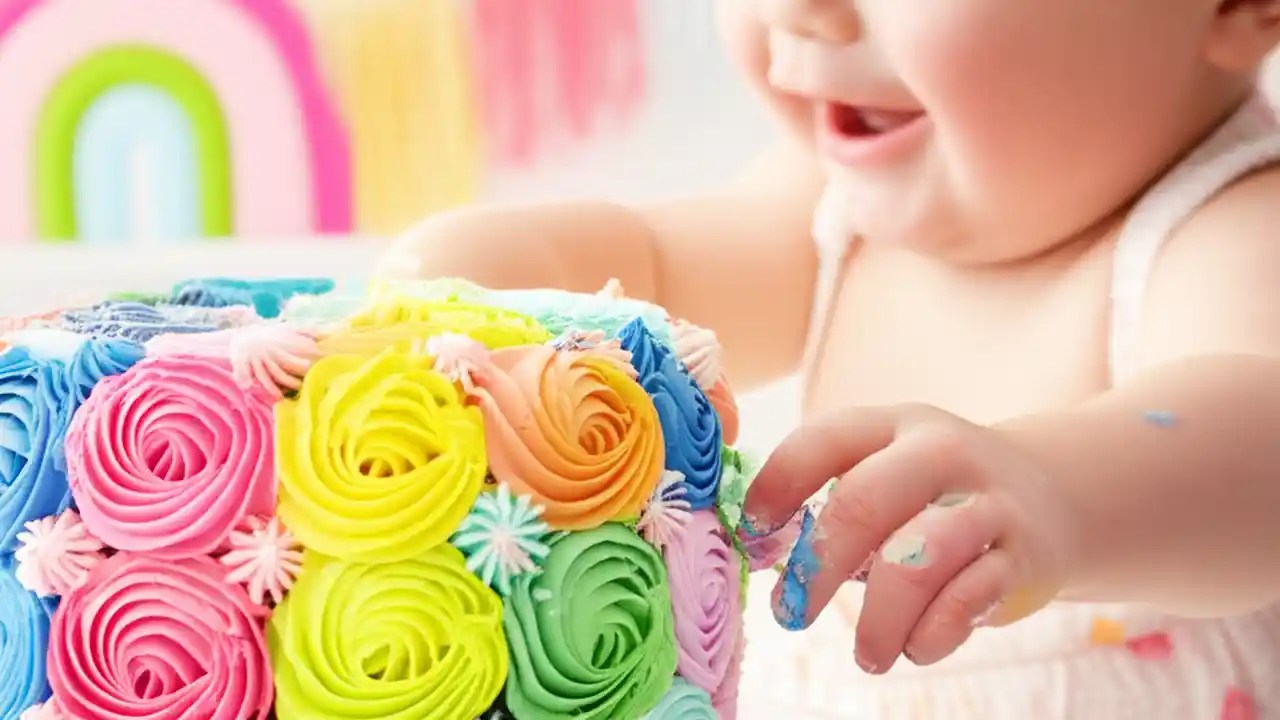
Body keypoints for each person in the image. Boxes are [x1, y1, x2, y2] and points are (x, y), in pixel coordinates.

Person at [377, 0, 1280, 716]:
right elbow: (651, 263)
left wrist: (1056, 491)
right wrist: (480, 274)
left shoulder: (1234, 228)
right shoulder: (830, 209)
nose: (803, 11)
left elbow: (1252, 442)